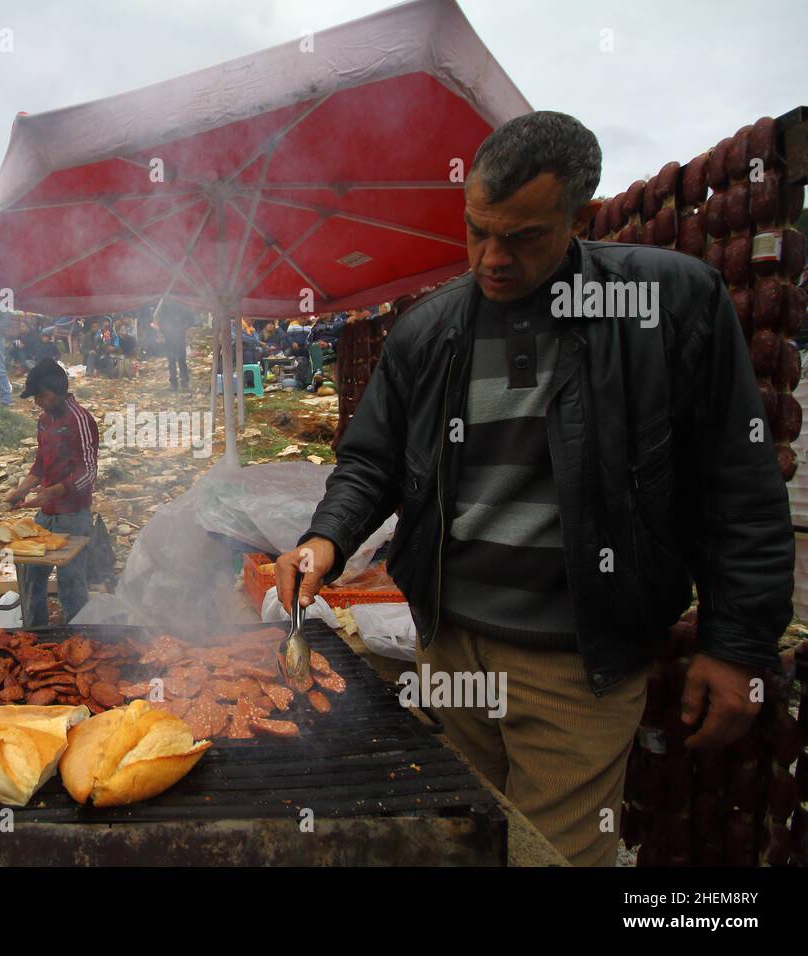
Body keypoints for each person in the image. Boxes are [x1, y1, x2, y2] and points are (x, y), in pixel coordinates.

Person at [274, 111, 793, 867]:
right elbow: (371, 460)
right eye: (476, 229)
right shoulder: (430, 330)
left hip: (578, 659)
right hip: (450, 643)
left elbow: (736, 480)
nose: (491, 258)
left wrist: (739, 642)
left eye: (520, 237)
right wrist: (325, 539)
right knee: (463, 840)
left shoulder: (666, 305)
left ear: (579, 217)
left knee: (551, 857)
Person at [5, 359, 98, 626]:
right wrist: (21, 490)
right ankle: (35, 634)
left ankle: (78, 637)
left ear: (58, 390)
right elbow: (40, 463)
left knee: (71, 584)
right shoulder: (44, 421)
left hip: (73, 515)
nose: (37, 402)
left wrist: (53, 491)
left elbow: (89, 472)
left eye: (41, 396)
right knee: (32, 578)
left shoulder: (79, 419)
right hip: (46, 515)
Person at [155, 300, 195, 391]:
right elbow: (161, 320)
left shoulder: (183, 303)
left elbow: (190, 319)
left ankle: (184, 383)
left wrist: (182, 329)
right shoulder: (165, 304)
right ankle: (173, 384)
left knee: (181, 360)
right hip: (169, 337)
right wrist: (164, 331)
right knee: (171, 360)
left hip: (180, 336)